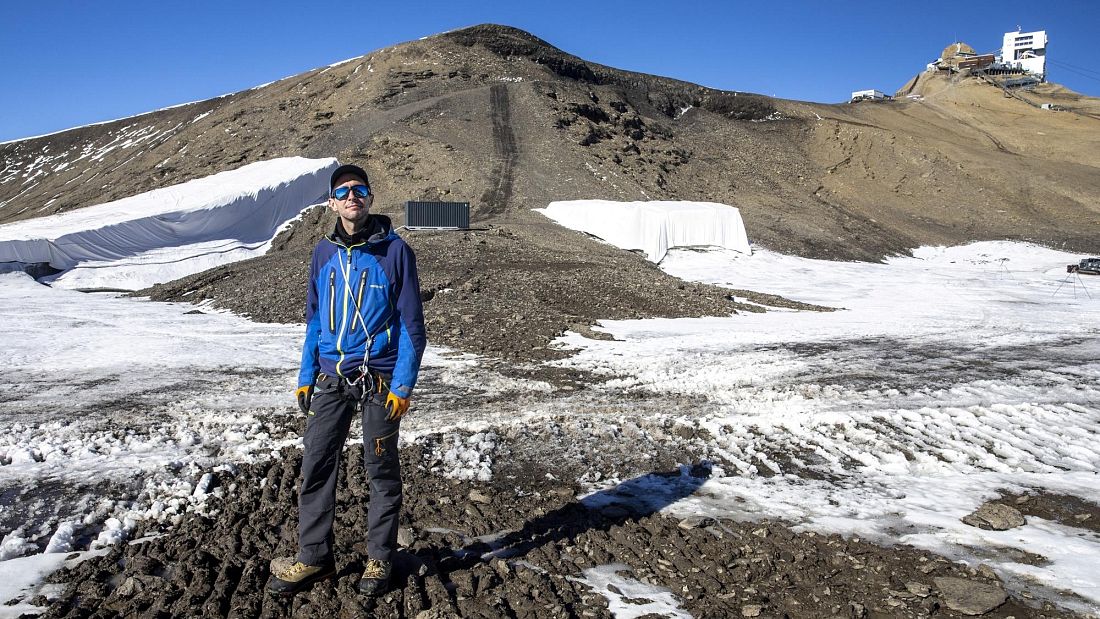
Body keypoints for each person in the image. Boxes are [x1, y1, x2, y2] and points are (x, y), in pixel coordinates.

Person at [268, 164, 427, 597]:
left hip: (379, 379)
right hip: (332, 378)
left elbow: (413, 325)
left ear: (371, 198)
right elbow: (315, 319)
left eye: (360, 189)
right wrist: (306, 376)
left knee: (380, 470)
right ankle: (315, 558)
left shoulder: (395, 252)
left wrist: (402, 386)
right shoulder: (323, 253)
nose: (352, 196)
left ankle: (379, 559)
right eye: (343, 191)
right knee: (316, 464)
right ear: (333, 202)